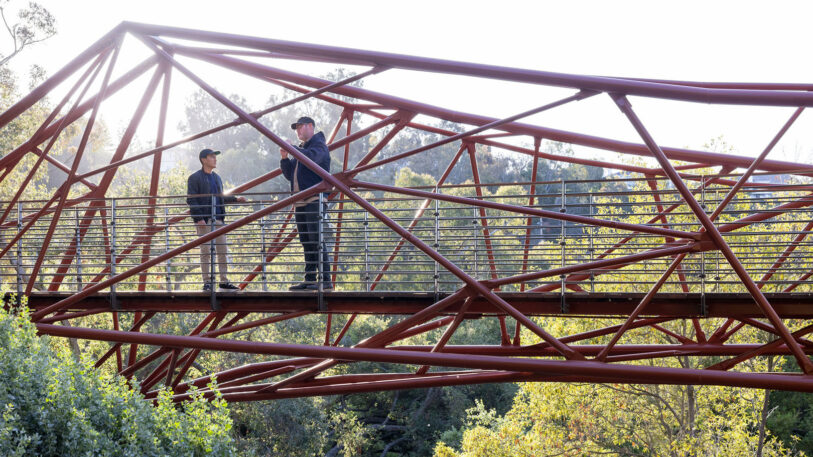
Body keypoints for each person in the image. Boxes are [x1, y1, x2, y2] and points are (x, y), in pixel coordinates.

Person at [279, 116, 333, 290]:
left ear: (311, 126)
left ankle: (325, 281)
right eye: (296, 128)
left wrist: (292, 149)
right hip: (301, 200)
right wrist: (285, 158)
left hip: (314, 198)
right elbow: (290, 175)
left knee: (316, 239)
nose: (298, 131)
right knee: (306, 241)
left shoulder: (318, 147)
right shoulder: (303, 150)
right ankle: (310, 279)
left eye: (300, 127)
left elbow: (311, 159)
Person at [187, 148, 246, 291]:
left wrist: (236, 199)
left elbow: (221, 197)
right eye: (212, 156)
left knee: (222, 250)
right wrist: (199, 218)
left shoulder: (217, 178)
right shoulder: (194, 178)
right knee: (205, 251)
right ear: (203, 159)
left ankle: (224, 281)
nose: (215, 159)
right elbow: (191, 200)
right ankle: (207, 282)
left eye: (215, 156)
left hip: (218, 218)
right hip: (205, 220)